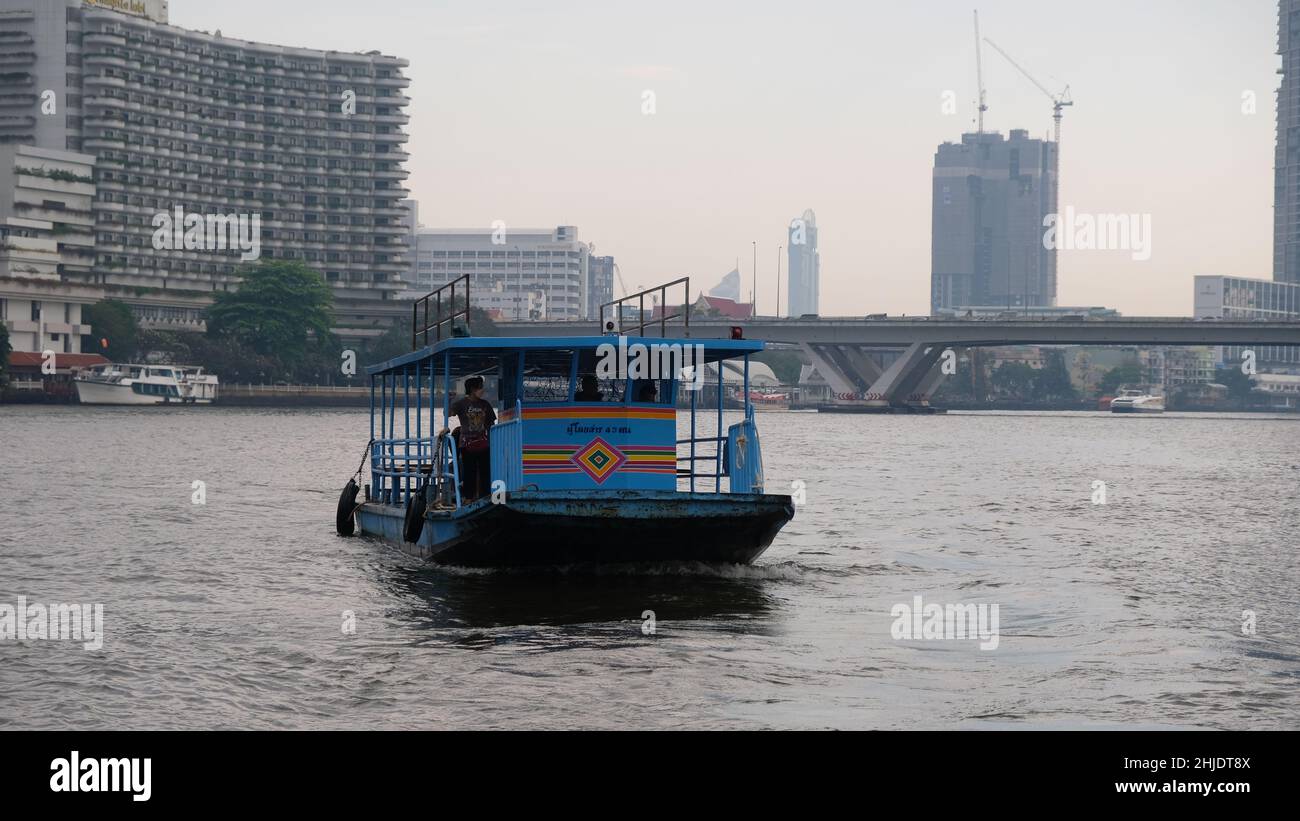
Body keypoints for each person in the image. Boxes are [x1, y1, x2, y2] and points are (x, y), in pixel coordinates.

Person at [444, 376, 496, 501]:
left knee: (485, 471)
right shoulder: (461, 404)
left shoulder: (485, 404)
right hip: (466, 443)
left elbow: (491, 424)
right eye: (480, 388)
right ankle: (469, 497)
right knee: (469, 471)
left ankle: (485, 496)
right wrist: (449, 400)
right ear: (473, 389)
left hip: (483, 443)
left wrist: (492, 441)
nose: (482, 390)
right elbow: (448, 413)